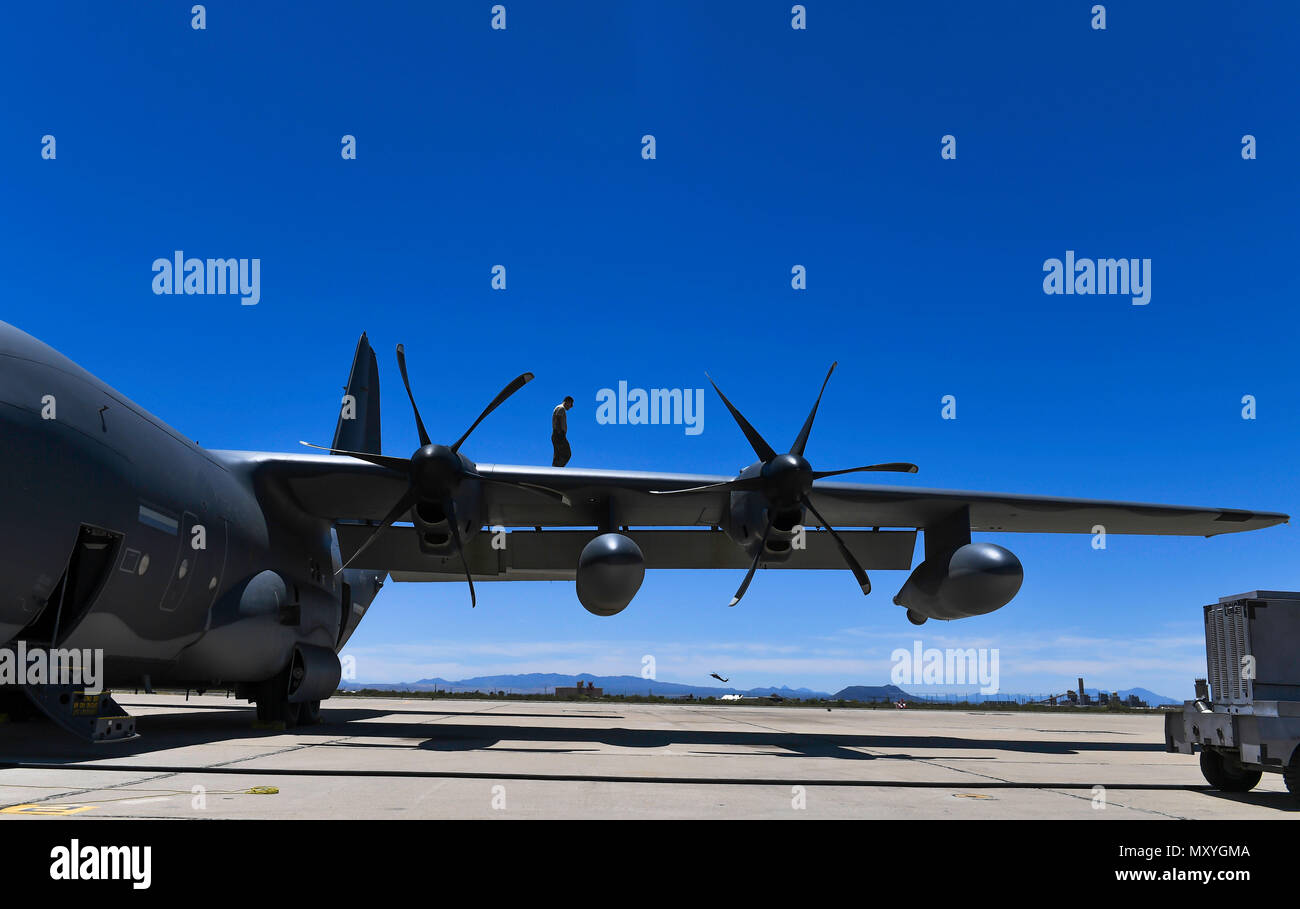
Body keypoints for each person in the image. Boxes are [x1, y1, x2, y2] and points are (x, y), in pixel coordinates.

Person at [552, 395, 574, 467]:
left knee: (558, 455)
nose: (571, 406)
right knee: (567, 454)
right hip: (559, 434)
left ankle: (554, 470)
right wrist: (560, 434)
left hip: (558, 434)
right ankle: (557, 469)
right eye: (571, 404)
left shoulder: (560, 408)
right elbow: (558, 419)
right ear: (568, 402)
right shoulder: (561, 408)